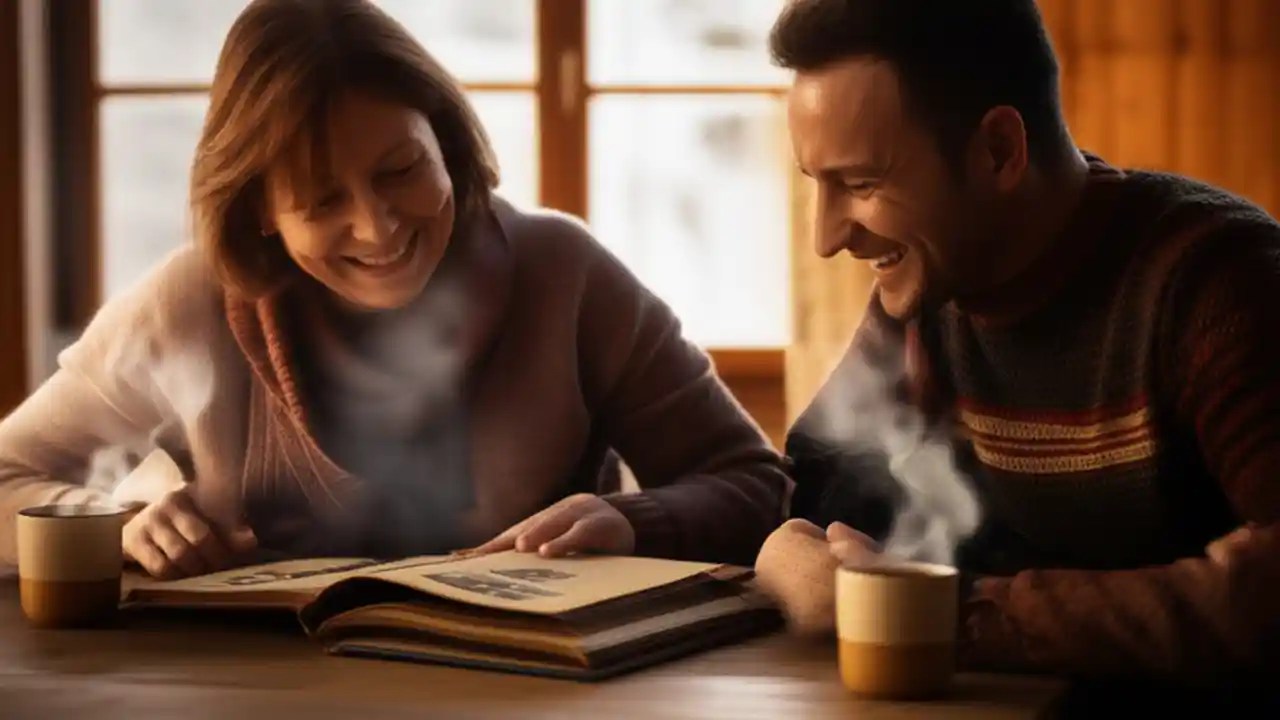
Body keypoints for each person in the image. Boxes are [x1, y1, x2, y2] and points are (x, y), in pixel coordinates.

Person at [0, 0, 790, 579]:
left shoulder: (567, 273)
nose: (378, 229)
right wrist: (108, 523)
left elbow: (757, 485)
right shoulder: (186, 306)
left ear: (446, 142)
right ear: (261, 213)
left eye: (401, 171)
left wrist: (631, 518)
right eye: (321, 201)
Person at [752, 0, 1280, 687]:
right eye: (816, 186)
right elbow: (812, 509)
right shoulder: (930, 294)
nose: (826, 239)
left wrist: (947, 613)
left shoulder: (1215, 285)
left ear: (999, 152)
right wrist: (785, 550)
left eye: (860, 184)